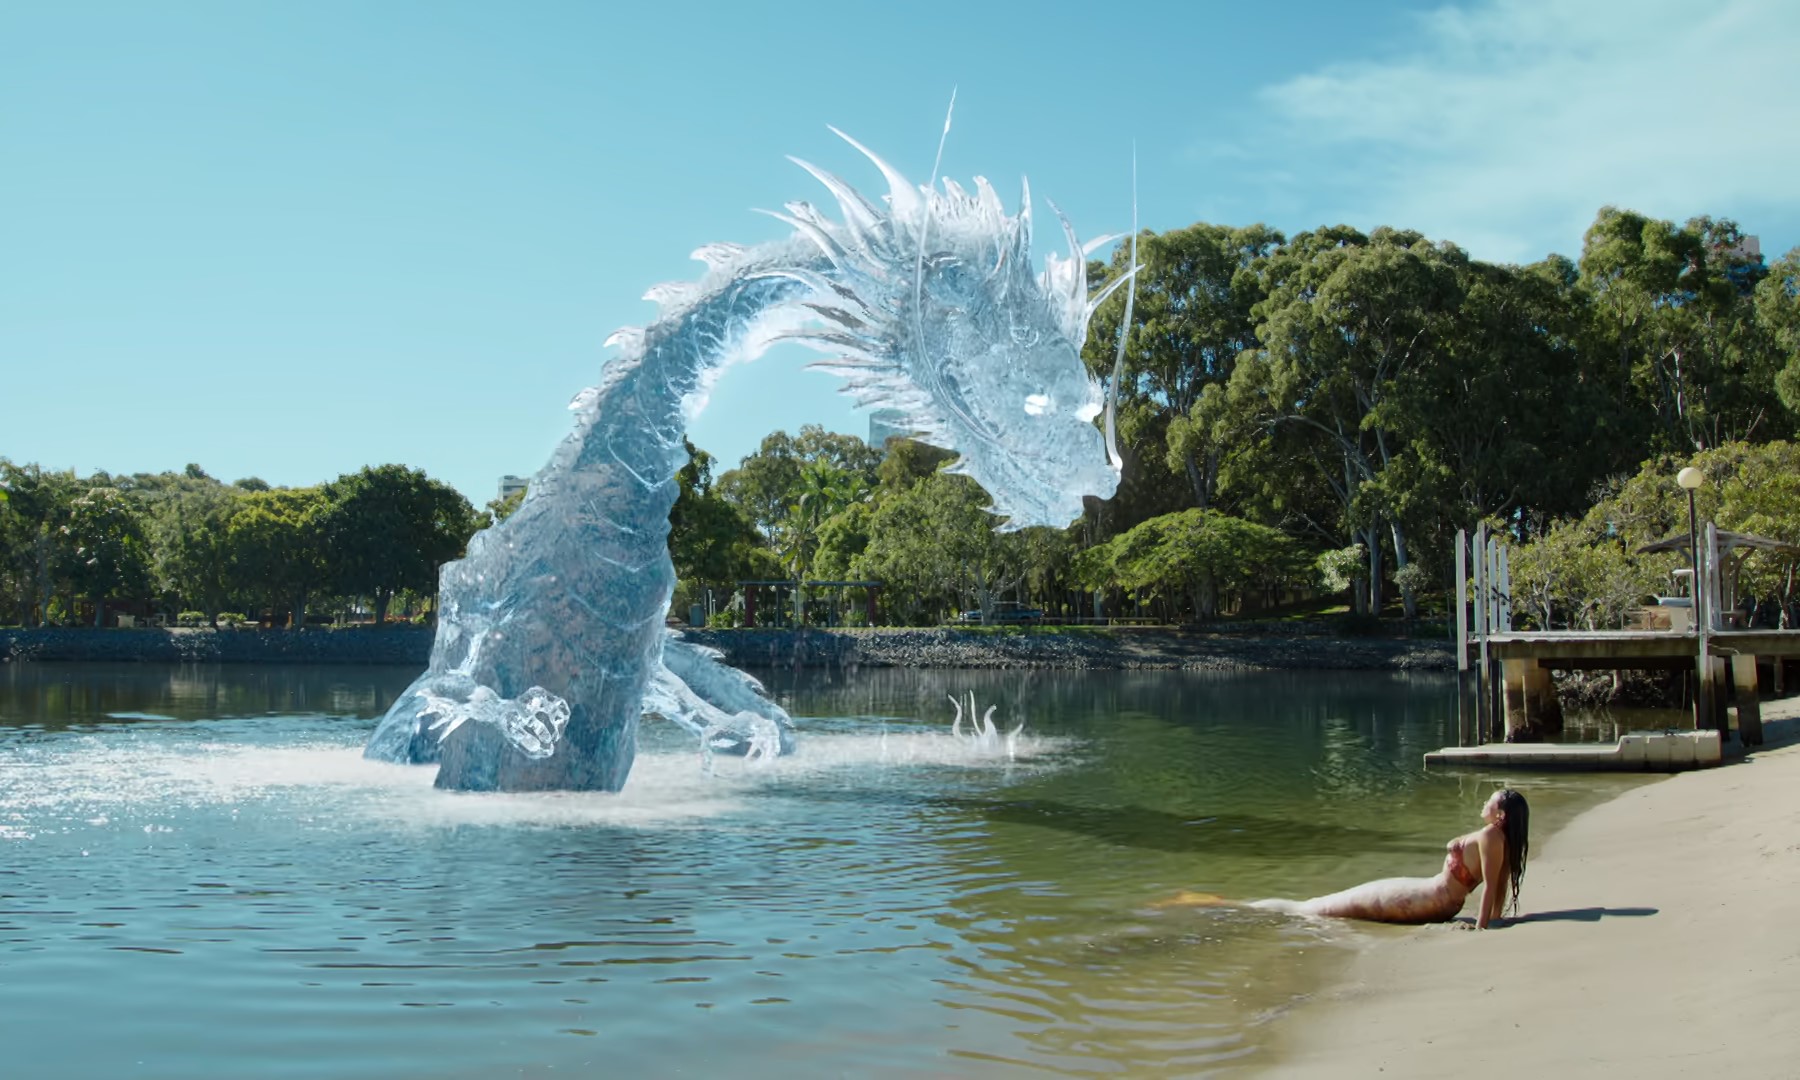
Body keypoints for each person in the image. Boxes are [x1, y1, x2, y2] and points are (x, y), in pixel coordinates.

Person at [1163, 788, 1530, 929]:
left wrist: (1482, 927)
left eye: (1492, 799)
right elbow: (1496, 884)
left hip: (1427, 899)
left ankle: (1225, 905)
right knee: (1315, 907)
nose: (1485, 801)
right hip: (1432, 899)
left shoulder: (1488, 836)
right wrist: (1493, 919)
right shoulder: (1502, 841)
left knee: (1311, 909)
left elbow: (1490, 889)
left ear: (1501, 814)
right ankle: (1227, 905)